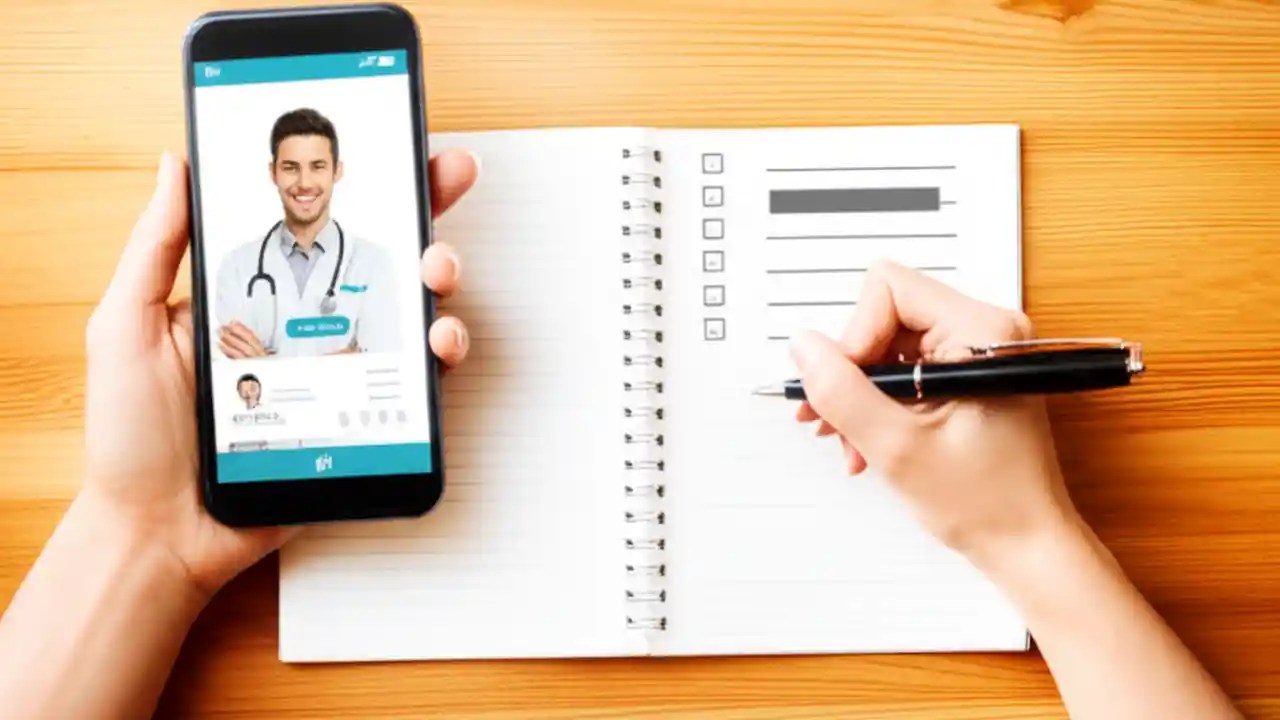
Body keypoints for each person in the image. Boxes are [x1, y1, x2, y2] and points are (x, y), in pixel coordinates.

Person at [0, 150, 1239, 719]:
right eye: (299, 171)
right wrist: (145, 529)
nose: (316, 189)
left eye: (332, 166)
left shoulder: (378, 260)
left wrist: (140, 542)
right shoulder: (276, 264)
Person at [214, 108, 400, 359]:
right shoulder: (237, 266)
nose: (304, 182)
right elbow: (233, 373)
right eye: (291, 168)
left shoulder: (373, 262)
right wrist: (343, 361)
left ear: (337, 171)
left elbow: (379, 362)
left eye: (317, 167)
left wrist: (264, 363)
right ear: (273, 173)